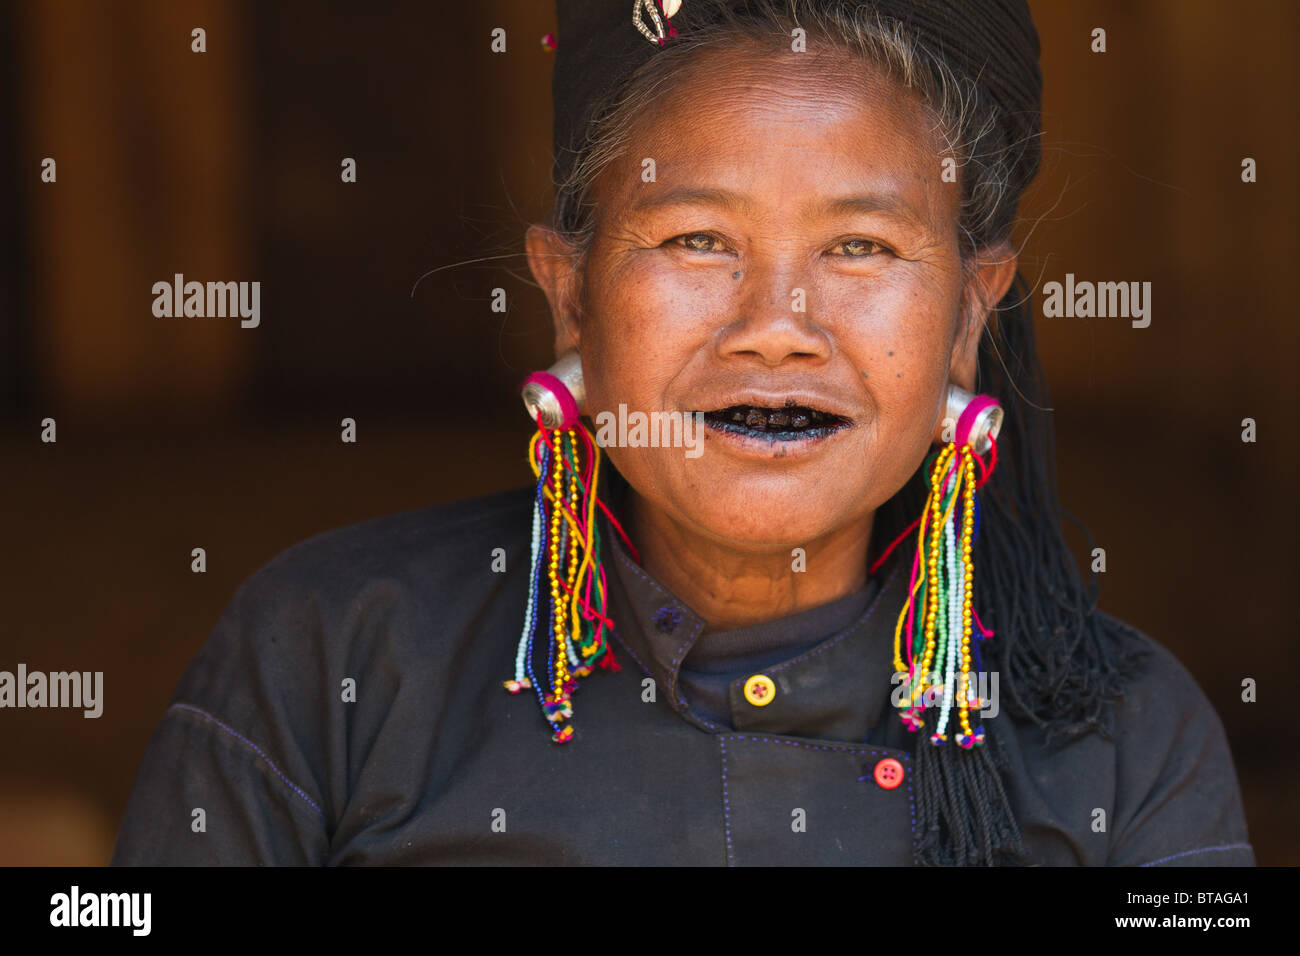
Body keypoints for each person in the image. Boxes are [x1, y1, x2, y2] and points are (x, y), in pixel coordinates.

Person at [110, 0, 1254, 866]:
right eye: (696, 238)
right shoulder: (334, 658)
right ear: (571, 298)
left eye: (860, 246)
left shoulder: (1127, 740)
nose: (775, 329)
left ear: (969, 311)